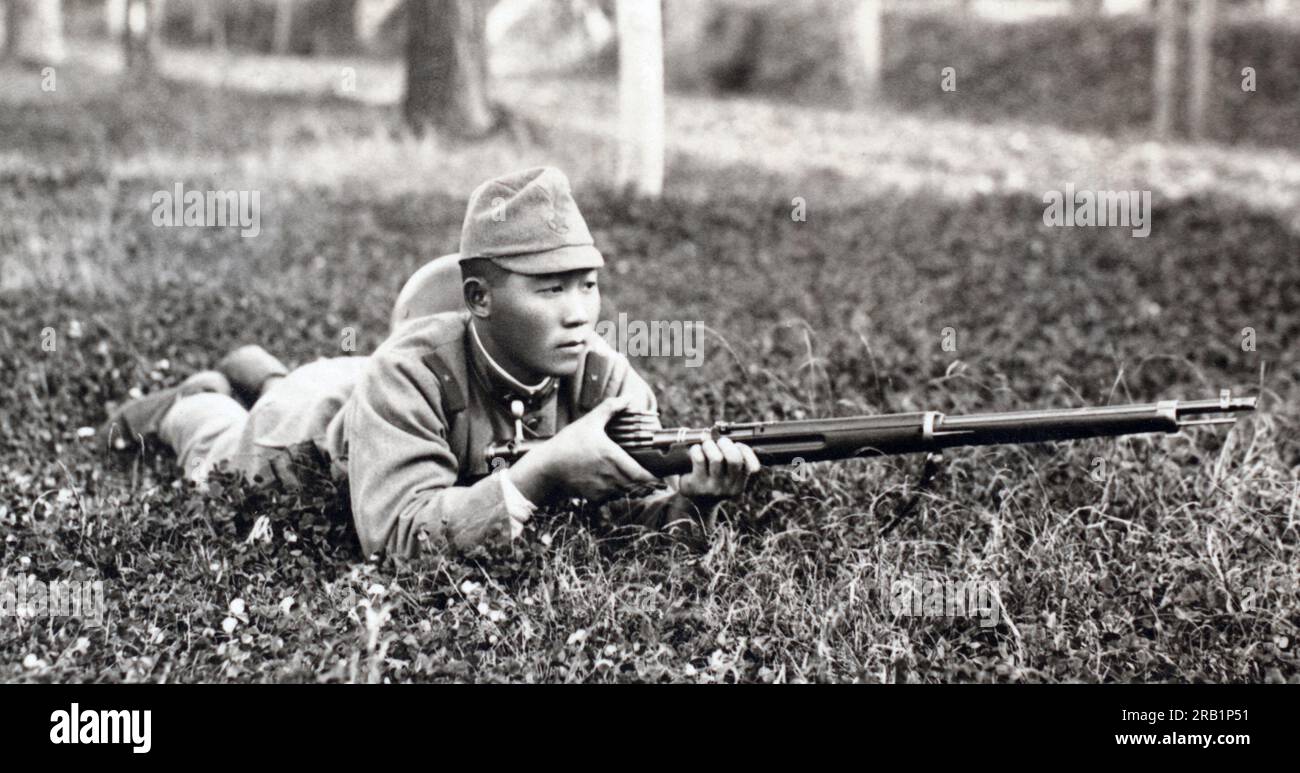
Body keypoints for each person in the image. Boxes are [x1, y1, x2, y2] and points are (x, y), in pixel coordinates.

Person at [105, 167, 760, 557]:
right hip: (308, 430)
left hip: (372, 393)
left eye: (587, 283)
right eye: (550, 287)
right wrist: (547, 469)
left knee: (311, 381)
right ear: (479, 297)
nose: (579, 311)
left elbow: (628, 516)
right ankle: (194, 399)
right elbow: (394, 537)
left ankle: (257, 367)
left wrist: (692, 503)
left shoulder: (605, 381)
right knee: (220, 446)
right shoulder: (412, 370)